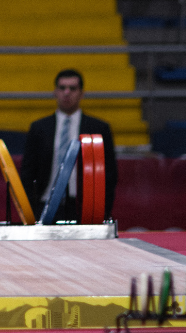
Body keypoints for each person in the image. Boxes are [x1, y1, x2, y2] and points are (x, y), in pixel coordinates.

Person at [21, 69, 118, 221]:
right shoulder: (39, 128)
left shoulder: (98, 129)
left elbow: (109, 174)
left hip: (84, 206)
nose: (67, 93)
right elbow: (27, 172)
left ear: (81, 93)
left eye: (72, 88)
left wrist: (102, 210)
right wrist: (30, 209)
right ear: (55, 92)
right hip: (44, 204)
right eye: (62, 88)